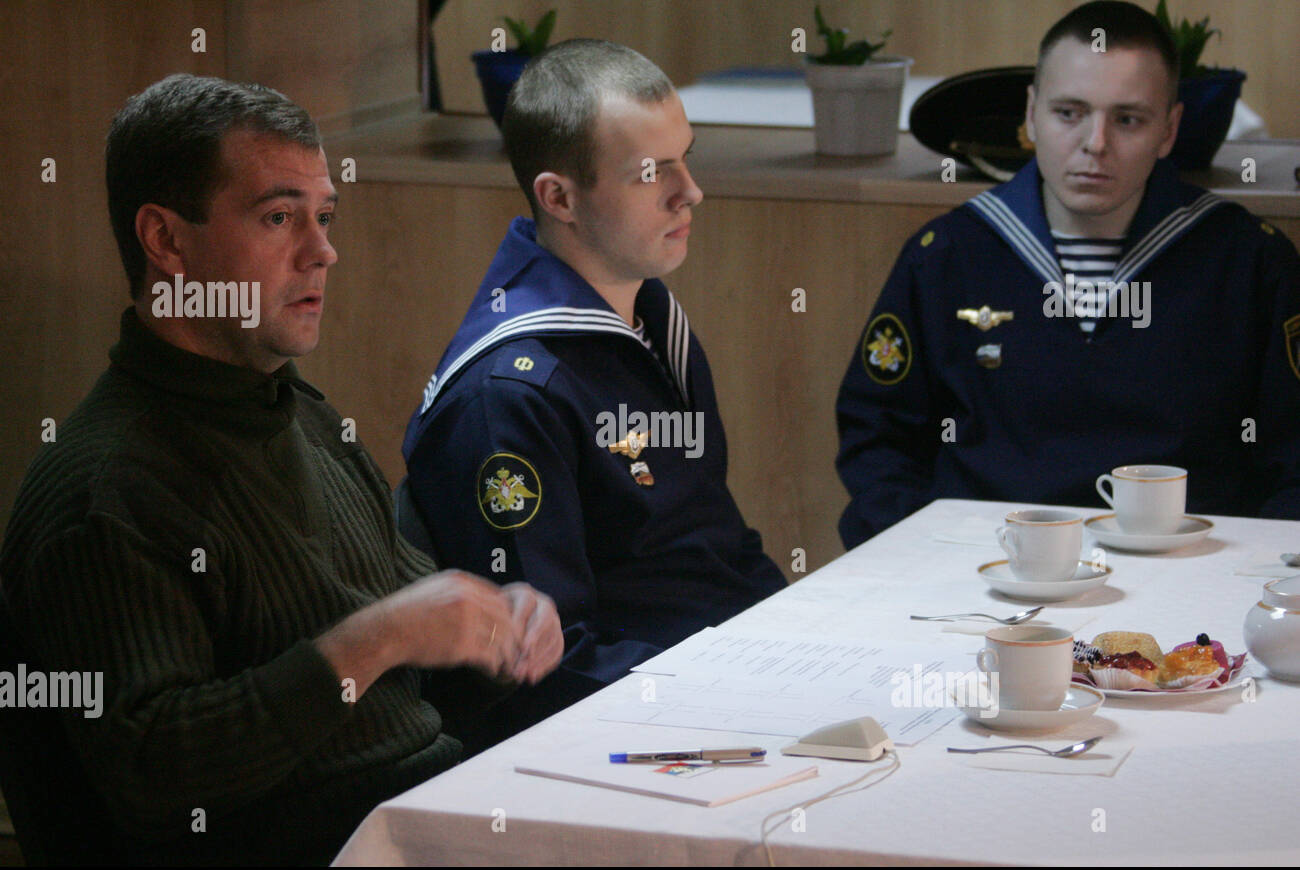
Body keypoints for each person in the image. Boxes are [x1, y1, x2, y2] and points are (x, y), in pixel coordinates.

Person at [0, 74, 563, 865]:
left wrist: (500, 632)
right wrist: (373, 641)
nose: (322, 250)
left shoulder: (299, 414)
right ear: (165, 242)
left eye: (324, 217)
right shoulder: (105, 492)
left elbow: (410, 653)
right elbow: (155, 775)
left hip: (424, 818)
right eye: (278, 217)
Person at [402, 40, 786, 751]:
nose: (690, 191)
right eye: (652, 172)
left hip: (715, 687)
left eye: (687, 157)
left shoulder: (649, 320)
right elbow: (546, 668)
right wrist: (739, 698)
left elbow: (717, 549)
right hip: (610, 737)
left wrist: (806, 643)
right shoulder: (509, 393)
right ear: (558, 197)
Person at [835, 0, 1300, 548]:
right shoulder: (947, 256)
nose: (1095, 144)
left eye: (1128, 119)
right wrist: (919, 558)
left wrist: (1264, 577)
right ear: (1031, 113)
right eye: (1069, 113)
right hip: (982, 570)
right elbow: (877, 440)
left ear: (1170, 129)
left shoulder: (1247, 261)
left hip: (1187, 569)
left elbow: (1293, 462)